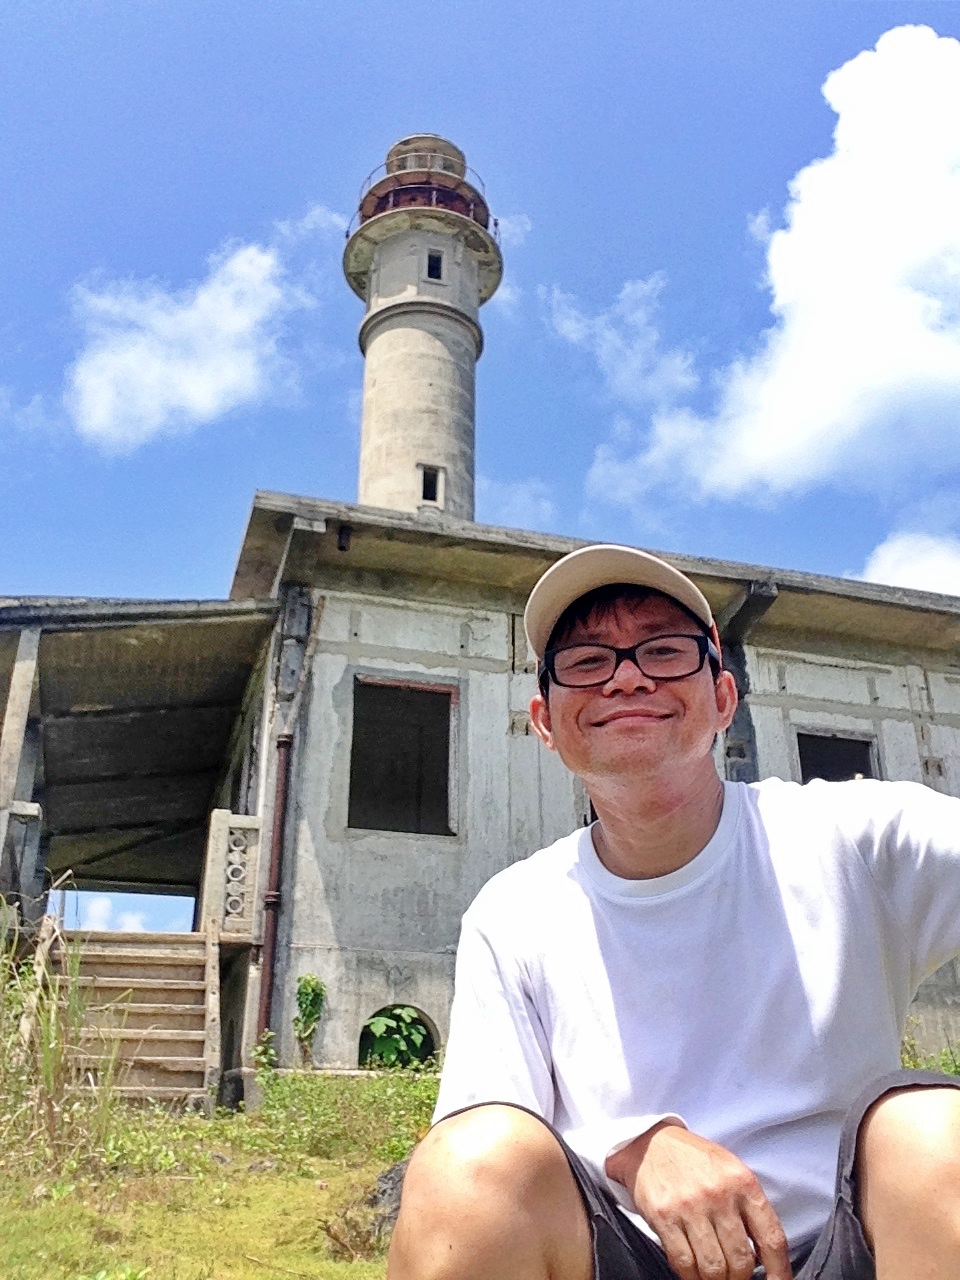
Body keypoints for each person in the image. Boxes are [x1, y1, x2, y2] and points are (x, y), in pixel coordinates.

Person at [387, 544, 960, 1280]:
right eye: (587, 662)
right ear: (545, 722)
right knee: (469, 1163)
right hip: (623, 1255)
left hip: (852, 1249)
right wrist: (637, 1147)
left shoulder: (855, 838)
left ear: (724, 699)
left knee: (931, 1126)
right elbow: (483, 1165)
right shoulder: (514, 913)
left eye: (663, 651)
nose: (627, 676)